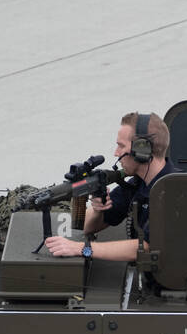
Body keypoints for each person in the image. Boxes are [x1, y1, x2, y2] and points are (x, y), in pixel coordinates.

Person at [44, 112, 175, 261]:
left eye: (121, 146)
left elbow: (146, 247)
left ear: (142, 150)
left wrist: (81, 248)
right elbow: (85, 227)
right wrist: (98, 211)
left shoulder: (175, 190)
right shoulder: (138, 185)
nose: (116, 153)